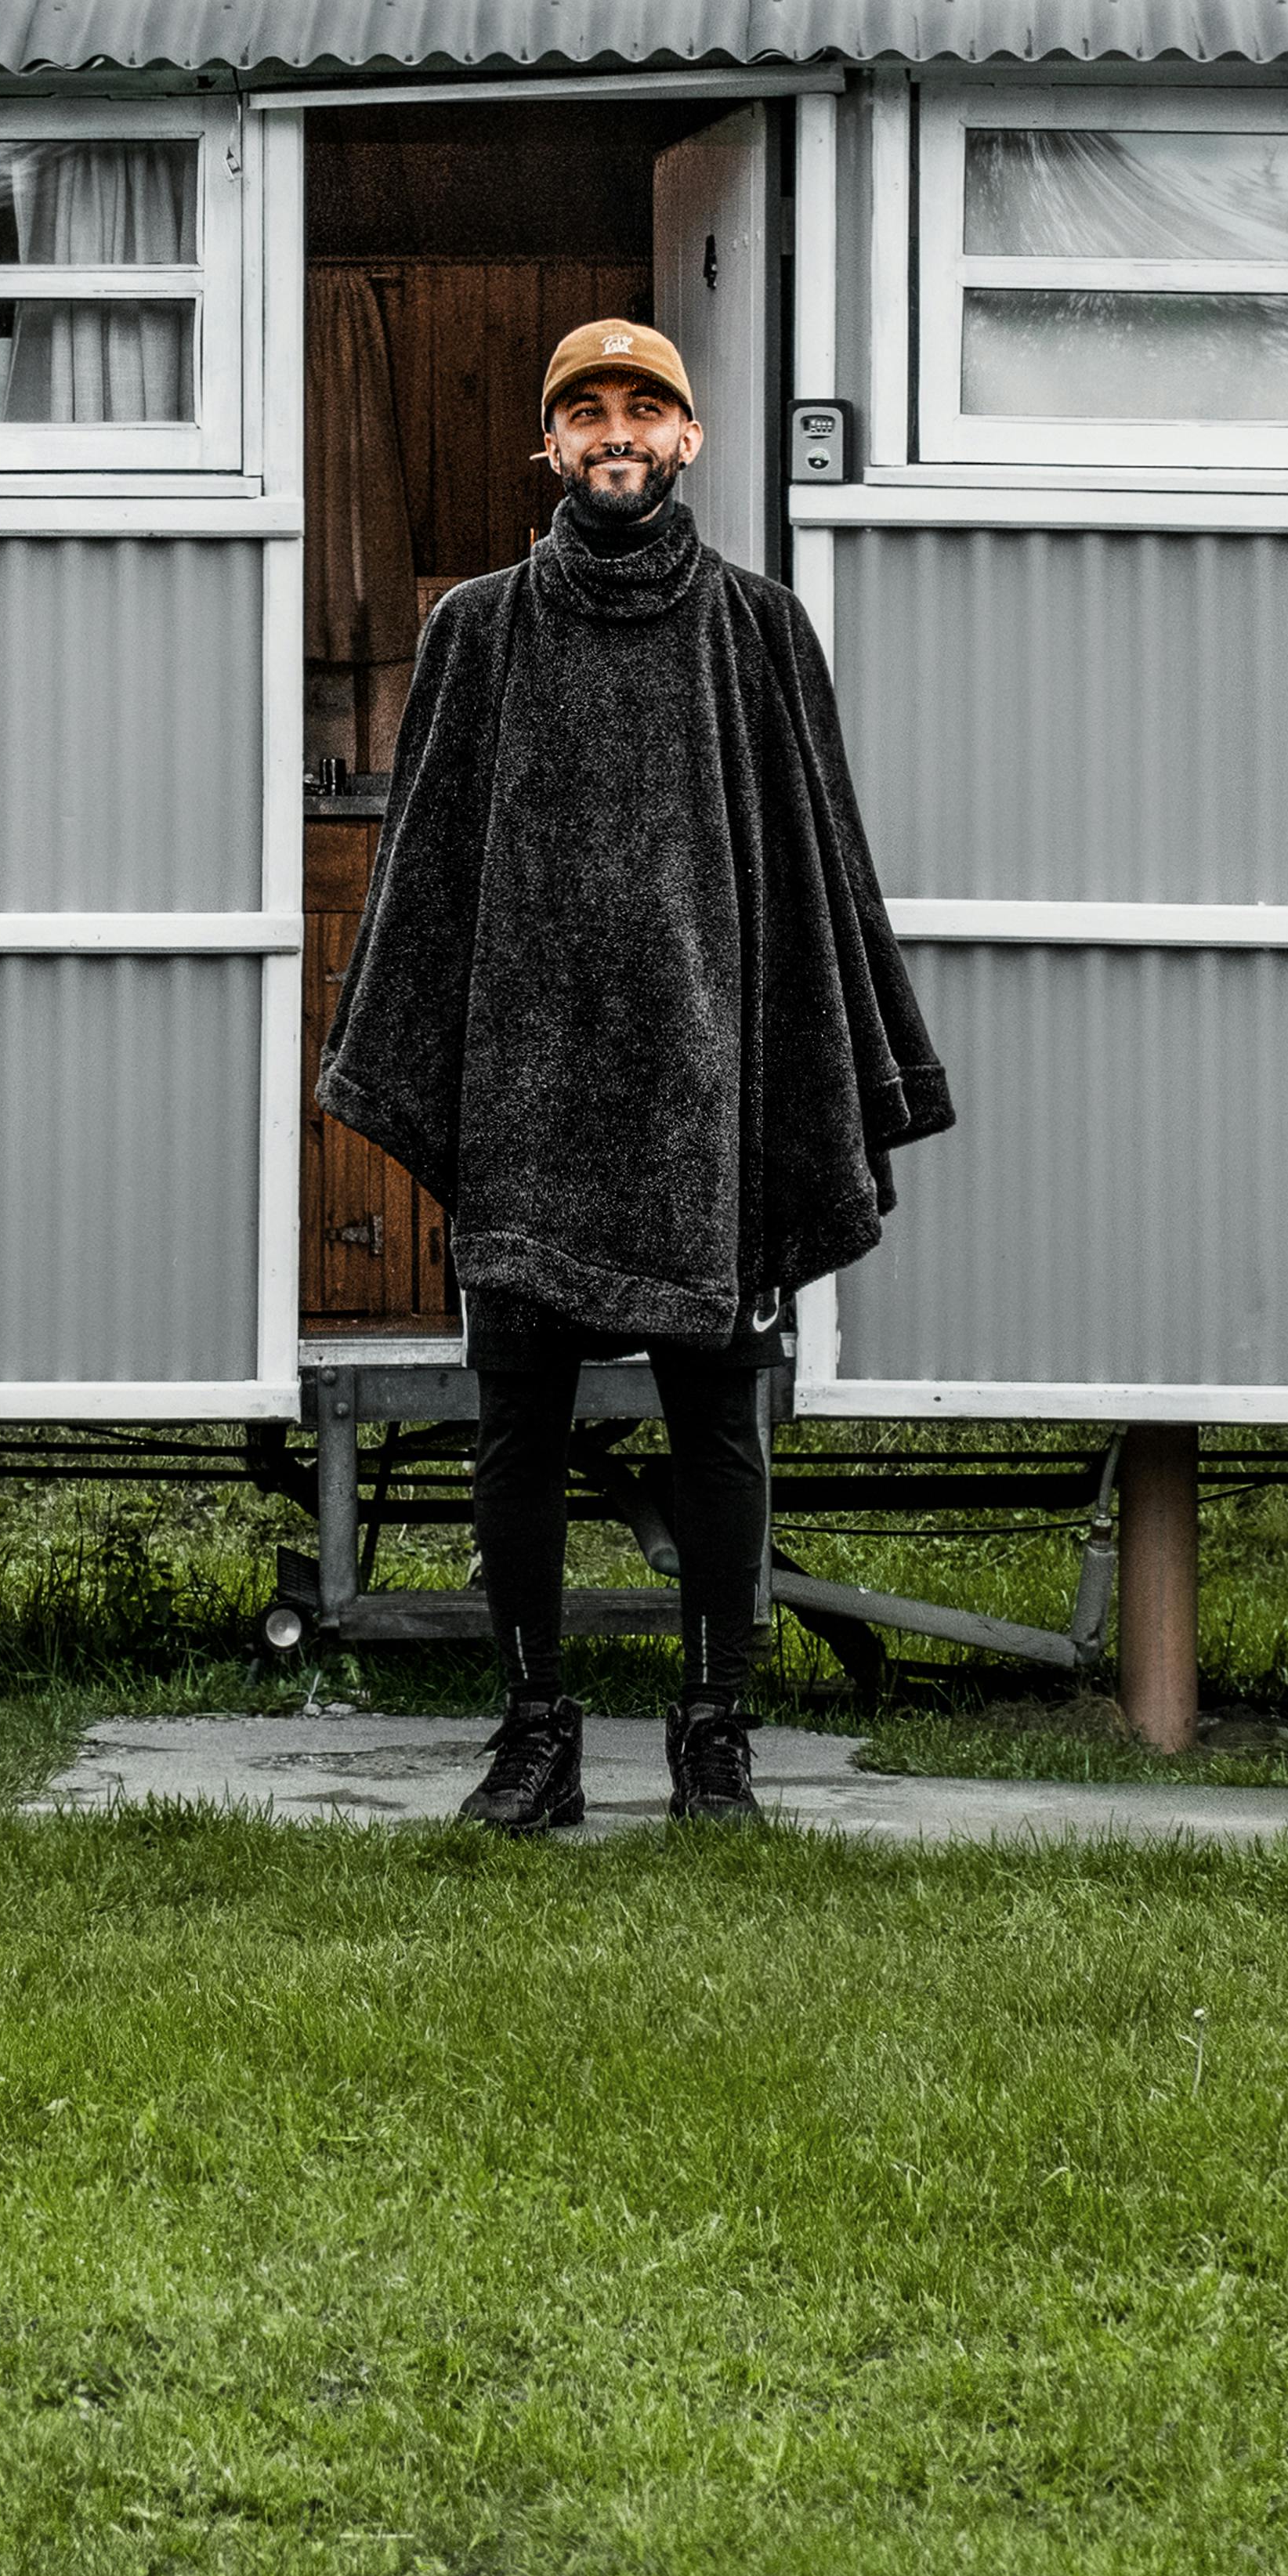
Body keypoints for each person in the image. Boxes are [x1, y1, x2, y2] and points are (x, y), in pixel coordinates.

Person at [316, 316, 954, 1833]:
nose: (614, 433)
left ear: (688, 439)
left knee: (717, 1418)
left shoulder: (758, 635)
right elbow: (425, 884)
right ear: (548, 445)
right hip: (526, 1094)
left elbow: (815, 879)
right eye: (583, 411)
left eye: (641, 410)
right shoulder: (477, 632)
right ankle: (534, 1735)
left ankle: (712, 1737)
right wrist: (441, 1082)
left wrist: (805, 1078)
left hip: (705, 1103)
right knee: (517, 1421)